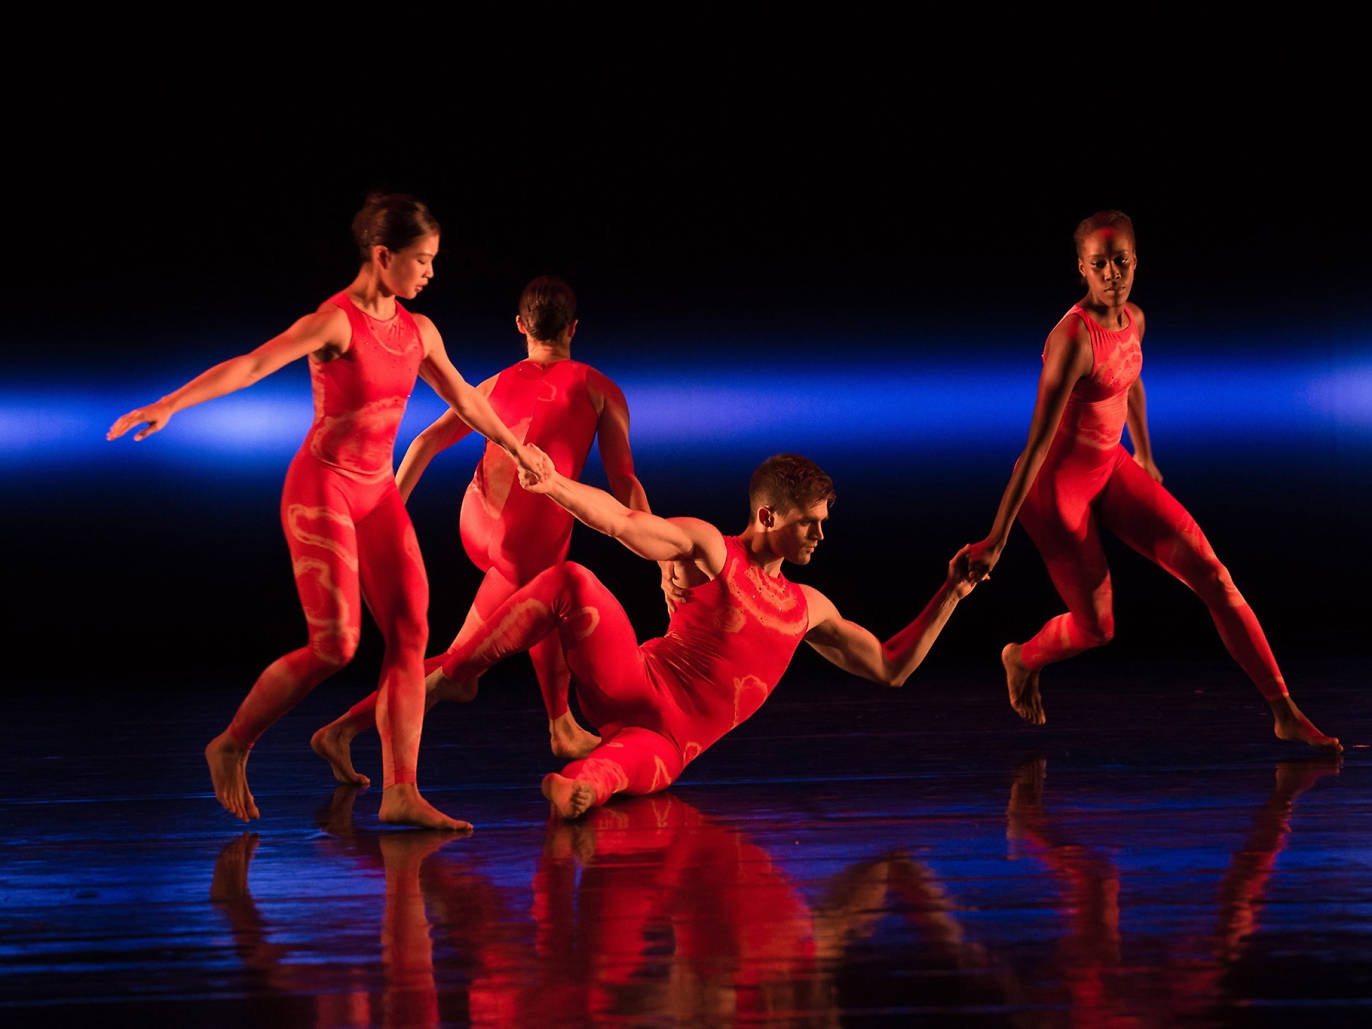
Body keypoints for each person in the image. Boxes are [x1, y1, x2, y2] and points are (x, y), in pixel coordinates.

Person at [108, 193, 545, 830]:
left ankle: (401, 791)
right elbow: (255, 363)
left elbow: (464, 398)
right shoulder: (334, 322)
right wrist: (171, 404)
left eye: (433, 261)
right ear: (382, 255)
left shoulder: (420, 330)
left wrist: (516, 447)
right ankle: (231, 743)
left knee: (412, 632)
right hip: (322, 489)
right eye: (421, 260)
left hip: (377, 493)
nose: (429, 272)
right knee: (337, 644)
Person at [955, 210, 1338, 752]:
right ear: (1081, 269)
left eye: (1120, 261)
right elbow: (1036, 444)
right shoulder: (1071, 339)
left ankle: (1284, 710)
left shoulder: (1134, 318)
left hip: (1112, 467)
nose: (1111, 273)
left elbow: (1129, 382)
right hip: (1054, 491)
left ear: (1135, 261)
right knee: (1098, 629)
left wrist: (1145, 453)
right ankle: (1022, 657)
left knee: (1215, 576)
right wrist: (998, 537)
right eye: (1099, 264)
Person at [427, 452, 979, 820]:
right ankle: (456, 673)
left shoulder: (808, 608)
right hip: (633, 683)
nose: (819, 534)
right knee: (572, 578)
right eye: (809, 521)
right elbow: (623, 523)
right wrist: (553, 485)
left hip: (667, 745)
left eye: (822, 523)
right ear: (767, 515)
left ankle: (577, 787)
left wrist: (951, 593)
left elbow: (891, 667)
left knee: (616, 771)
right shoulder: (712, 550)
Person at [310, 276, 654, 785]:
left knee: (550, 592)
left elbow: (425, 442)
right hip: (525, 536)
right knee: (460, 669)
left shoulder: (490, 385)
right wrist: (662, 550)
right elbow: (624, 481)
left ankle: (561, 723)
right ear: (574, 329)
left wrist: (387, 508)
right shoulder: (599, 388)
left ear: (521, 327)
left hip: (477, 520)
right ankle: (342, 730)